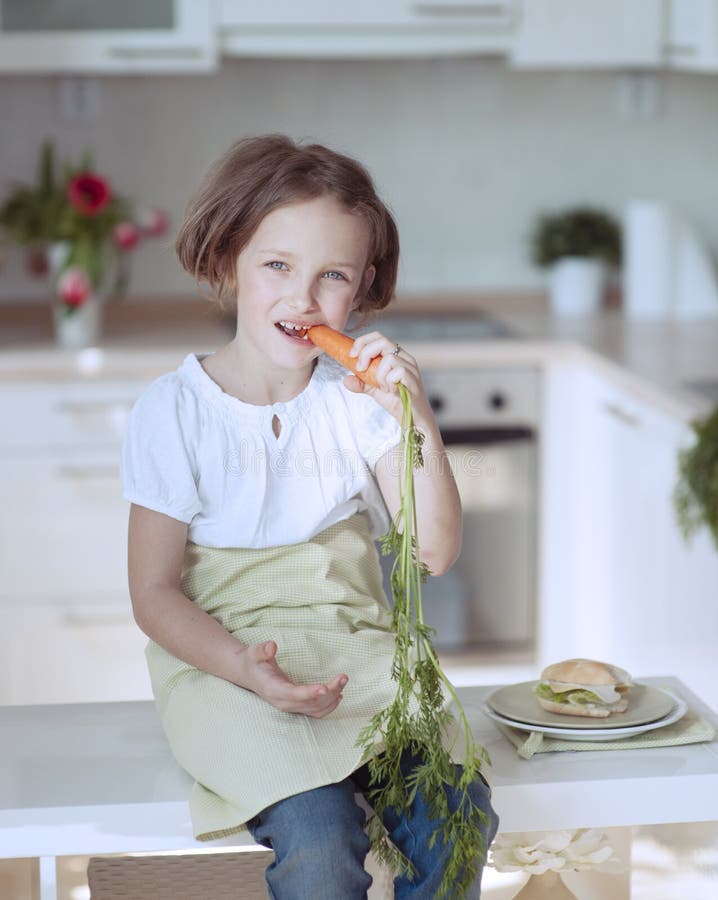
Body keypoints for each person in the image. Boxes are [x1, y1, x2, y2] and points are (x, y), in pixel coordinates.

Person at [121, 133, 498, 899]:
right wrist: (243, 669)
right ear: (228, 261)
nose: (303, 297)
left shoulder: (355, 407)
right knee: (321, 841)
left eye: (332, 276)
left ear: (360, 293)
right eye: (277, 266)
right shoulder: (174, 411)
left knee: (456, 813)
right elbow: (153, 594)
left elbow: (434, 552)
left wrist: (413, 415)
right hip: (225, 669)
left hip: (355, 656)